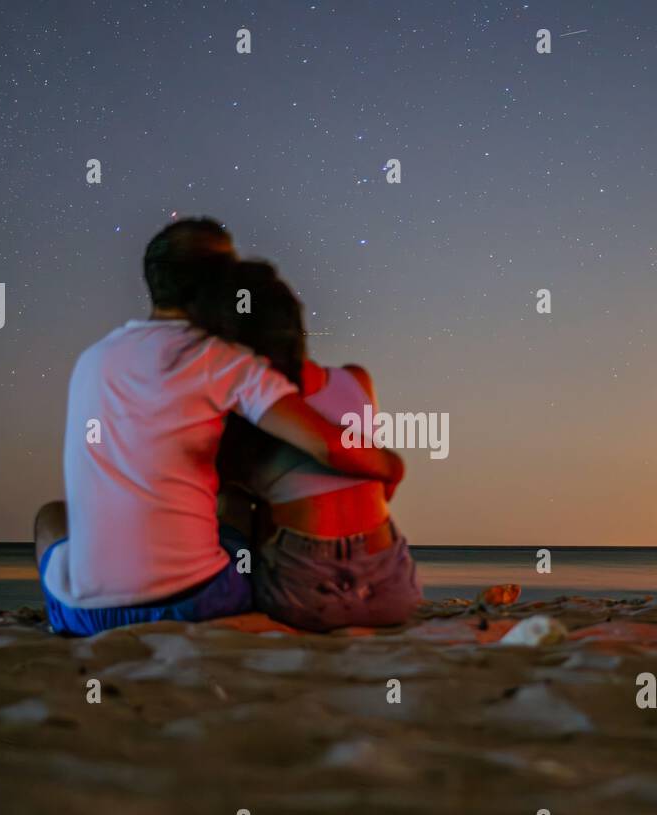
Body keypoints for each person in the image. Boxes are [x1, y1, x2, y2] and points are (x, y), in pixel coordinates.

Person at [33, 219, 403, 636]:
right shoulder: (223, 360)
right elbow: (326, 445)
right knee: (232, 501)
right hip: (200, 602)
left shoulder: (92, 360)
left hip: (85, 615)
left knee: (51, 517)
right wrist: (389, 465)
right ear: (221, 281)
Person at [213, 260, 421, 631]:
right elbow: (373, 485)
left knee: (233, 499)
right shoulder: (356, 379)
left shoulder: (243, 403)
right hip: (392, 592)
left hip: (304, 597)